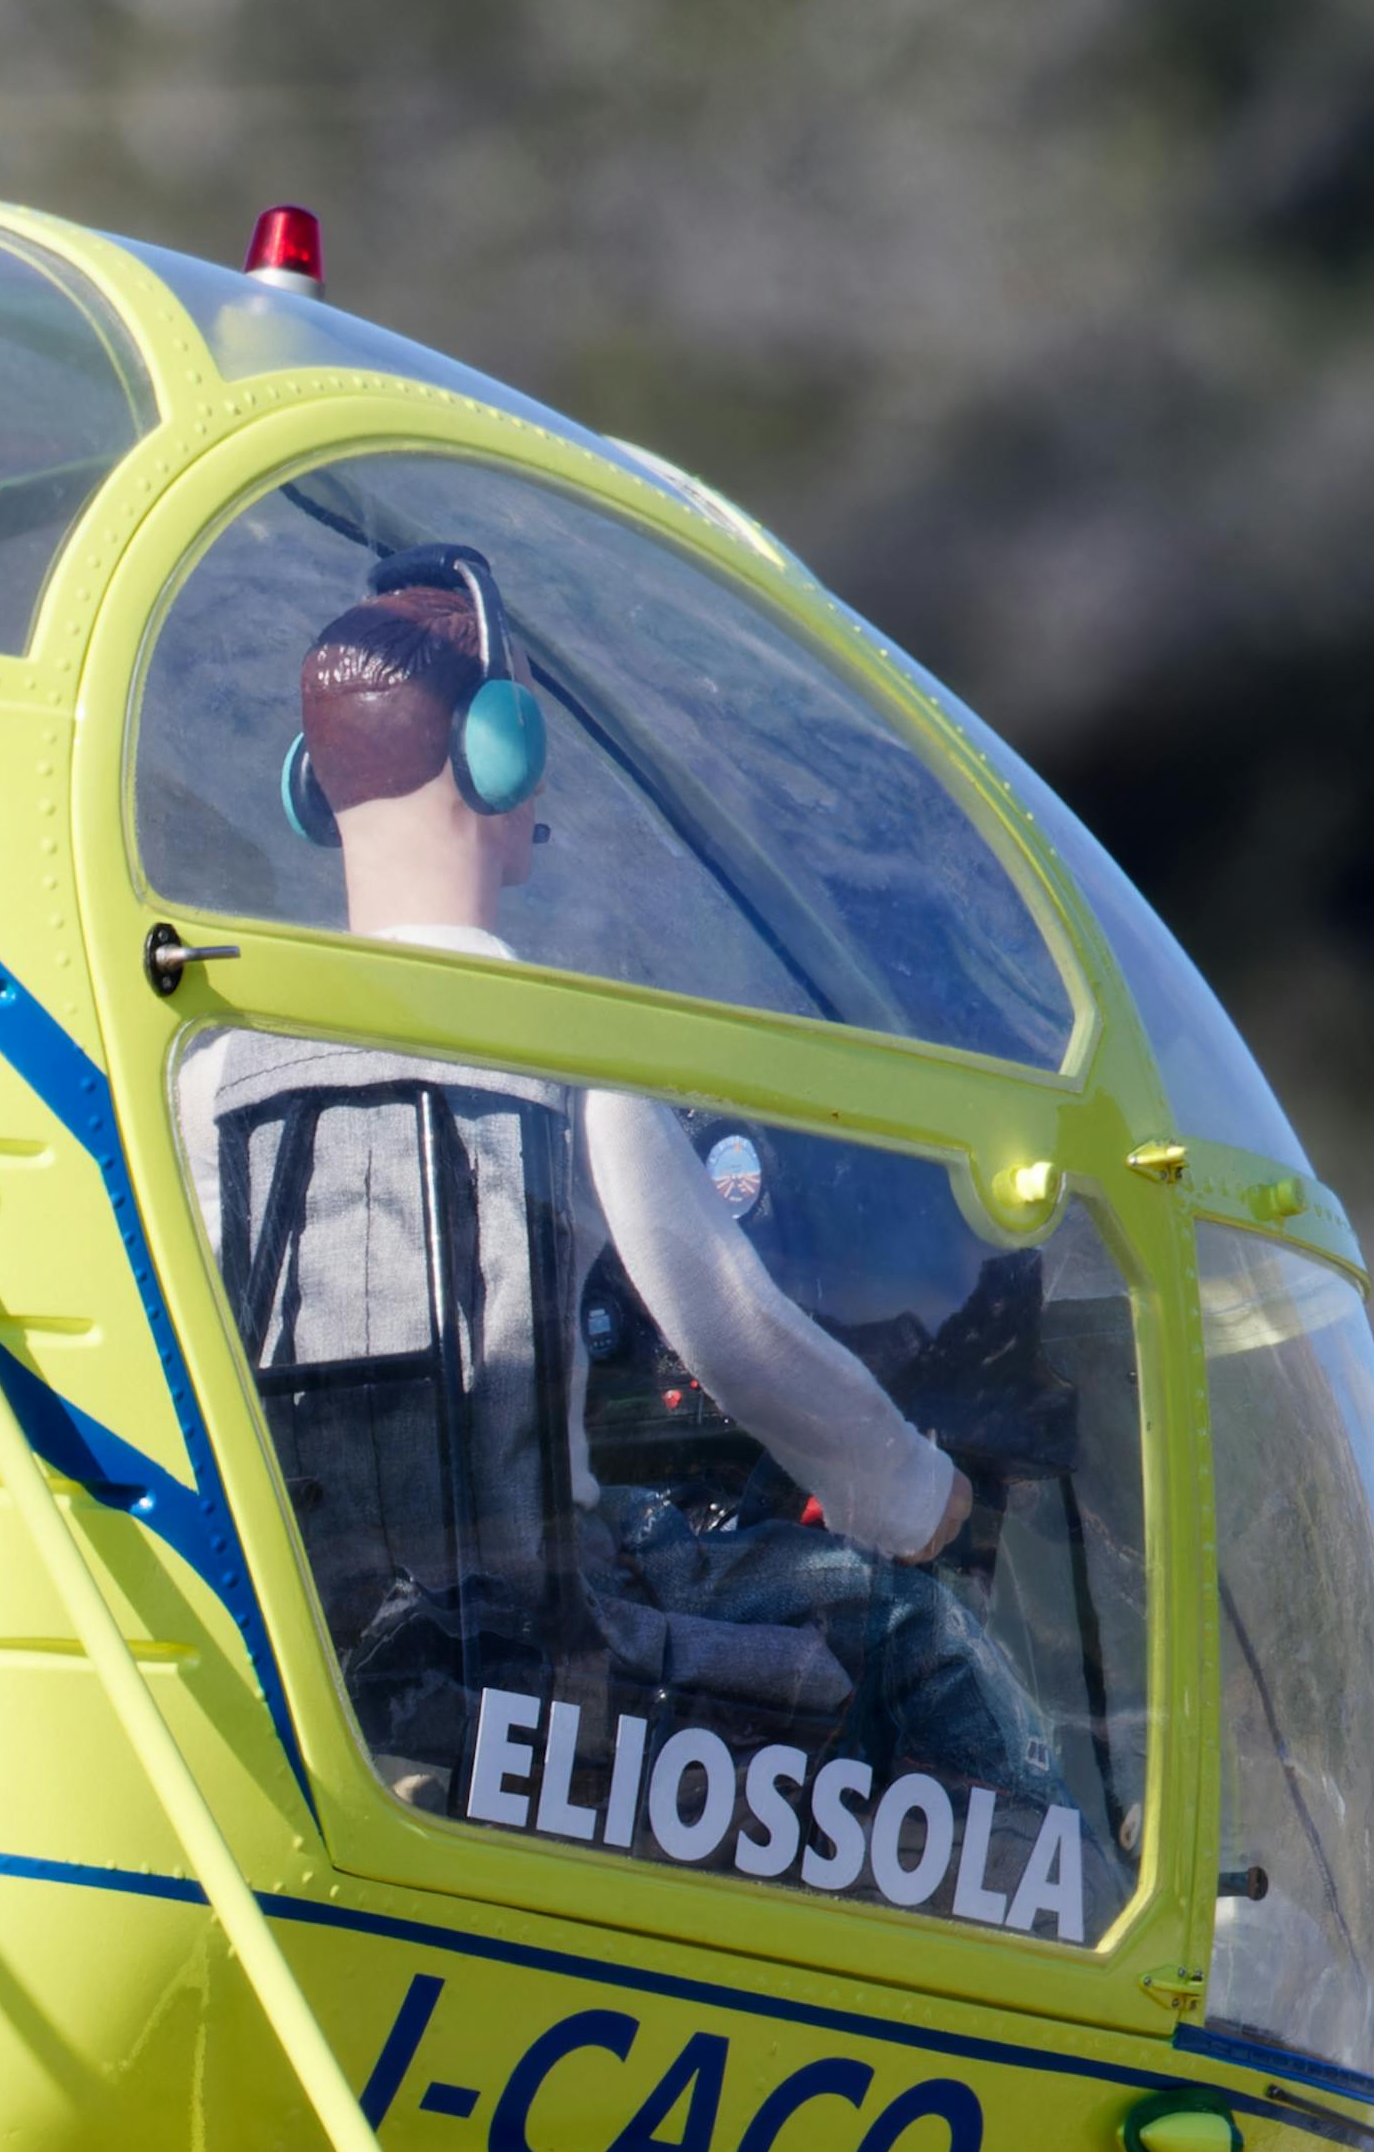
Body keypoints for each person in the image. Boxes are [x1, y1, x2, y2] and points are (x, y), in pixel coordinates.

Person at [209, 566, 1089, 1847]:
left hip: (313, 1633)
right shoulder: (561, 1052)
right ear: (493, 754)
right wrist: (915, 1494)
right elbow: (739, 1339)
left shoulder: (220, 1066)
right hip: (543, 1635)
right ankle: (1074, 1944)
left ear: (312, 781)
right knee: (904, 1630)